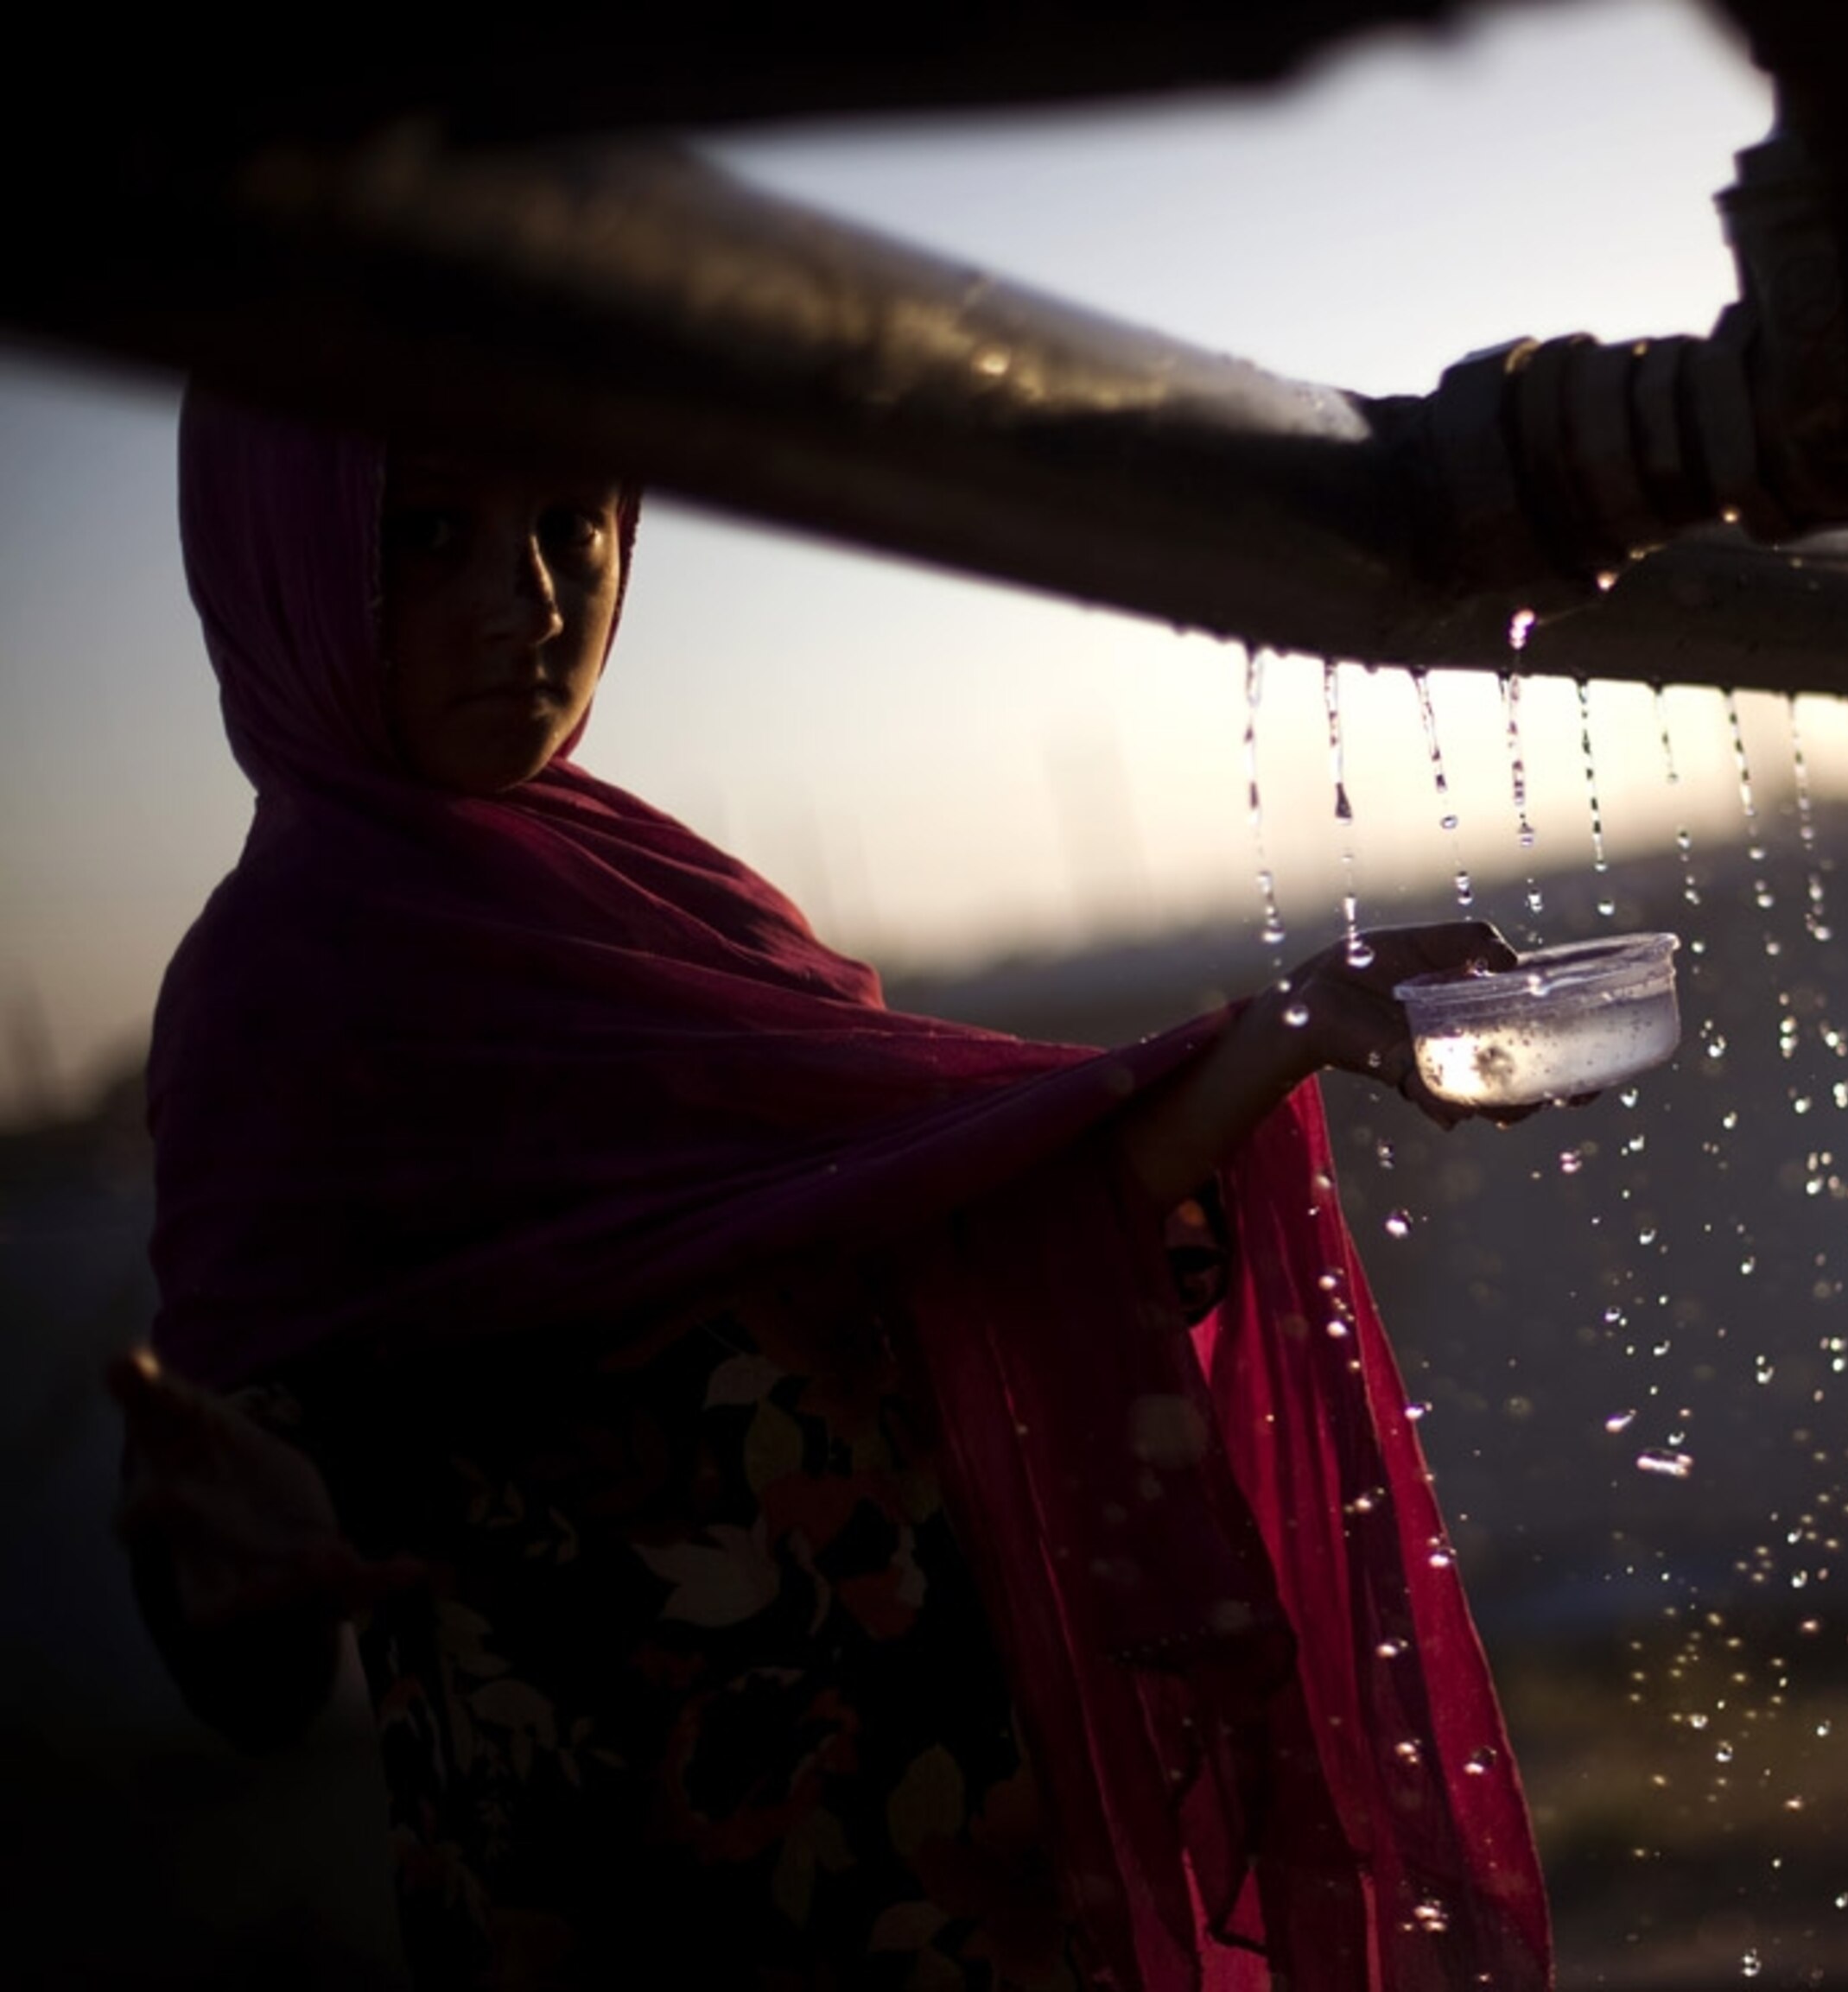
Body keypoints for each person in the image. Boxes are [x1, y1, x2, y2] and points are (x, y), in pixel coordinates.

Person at [110, 390, 1556, 1990]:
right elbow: (248, 1602)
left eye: (569, 524)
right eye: (428, 533)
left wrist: (1287, 1031)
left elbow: (971, 1253)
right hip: (642, 1903)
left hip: (962, 1845)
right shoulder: (279, 1001)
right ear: (279, 559)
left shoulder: (686, 907)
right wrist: (223, 1573)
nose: (526, 599)